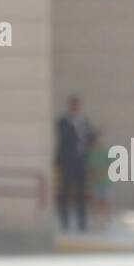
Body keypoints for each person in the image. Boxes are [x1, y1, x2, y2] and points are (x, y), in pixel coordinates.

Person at [54, 95, 92, 230]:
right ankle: (64, 222)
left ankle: (82, 222)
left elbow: (88, 139)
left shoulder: (84, 121)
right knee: (65, 192)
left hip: (81, 162)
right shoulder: (64, 121)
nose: (76, 108)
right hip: (67, 162)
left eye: (77, 106)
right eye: (73, 105)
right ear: (70, 106)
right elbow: (63, 139)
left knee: (81, 193)